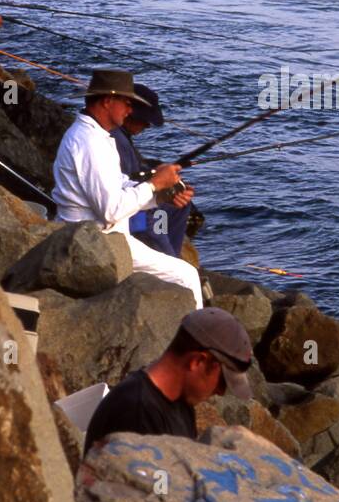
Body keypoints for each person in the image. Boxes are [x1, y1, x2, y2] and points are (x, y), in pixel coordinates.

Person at [52, 70, 203, 308]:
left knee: (179, 271)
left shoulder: (97, 136)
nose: (130, 110)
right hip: (96, 241)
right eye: (127, 103)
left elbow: (120, 186)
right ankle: (191, 340)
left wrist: (162, 194)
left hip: (99, 234)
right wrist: (154, 184)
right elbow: (112, 210)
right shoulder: (90, 142)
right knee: (186, 276)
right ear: (107, 101)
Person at [82, 307, 253, 456]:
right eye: (222, 381)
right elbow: (156, 487)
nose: (221, 391)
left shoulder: (181, 403)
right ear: (198, 361)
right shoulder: (137, 413)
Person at [113, 84, 193, 258]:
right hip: (135, 214)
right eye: (145, 120)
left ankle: (172, 253)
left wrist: (167, 184)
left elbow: (133, 174)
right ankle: (167, 258)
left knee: (181, 206)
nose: (148, 126)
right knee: (159, 215)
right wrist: (159, 184)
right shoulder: (116, 140)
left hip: (139, 199)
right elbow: (126, 185)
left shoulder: (121, 136)